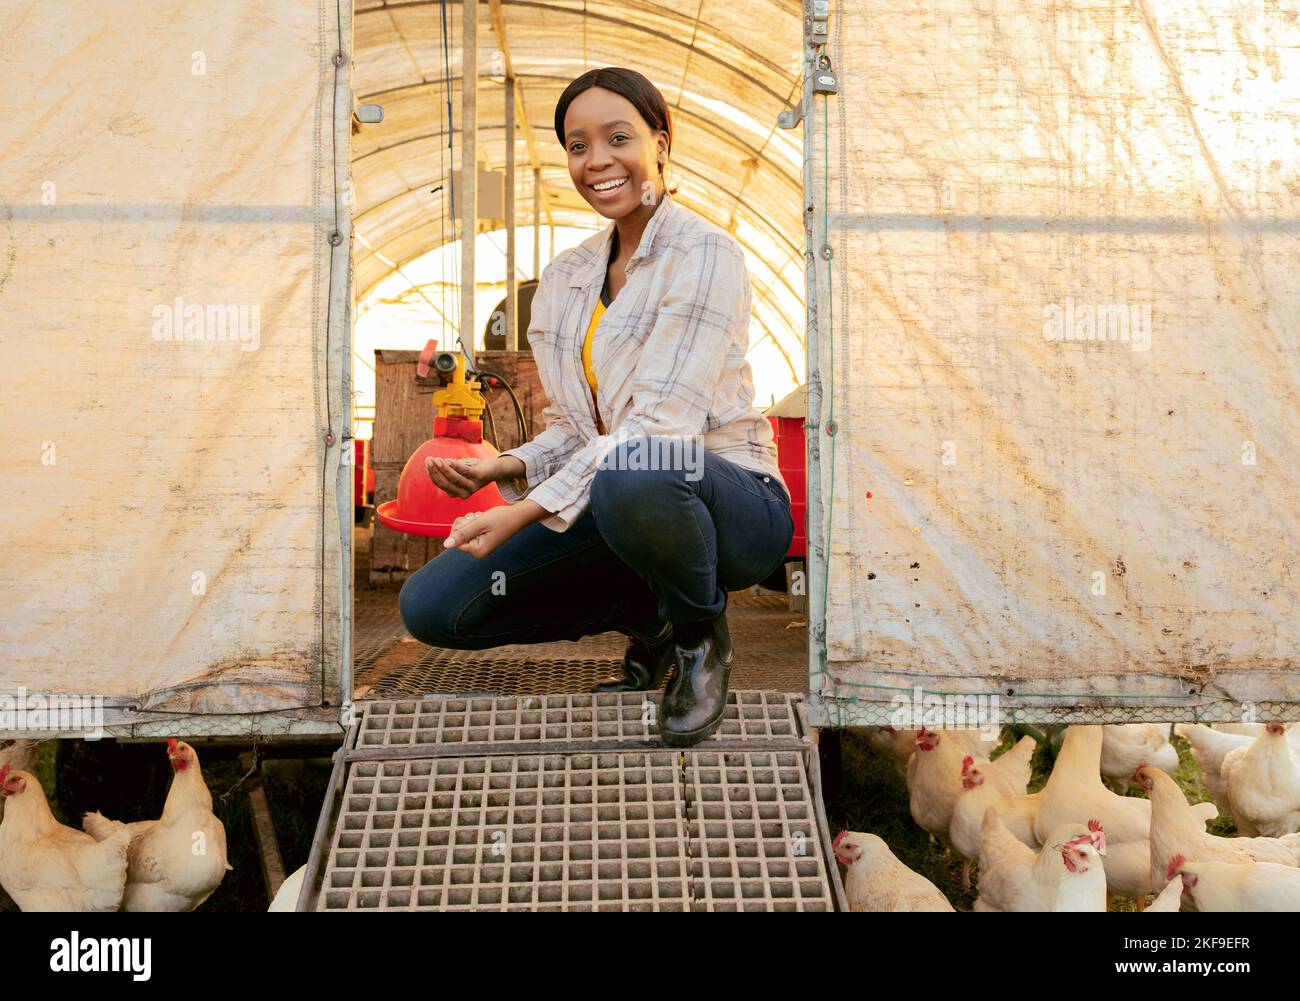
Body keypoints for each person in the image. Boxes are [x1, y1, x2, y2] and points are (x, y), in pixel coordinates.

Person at [398, 66, 793, 746]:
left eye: (618, 137)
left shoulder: (705, 255)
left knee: (638, 470)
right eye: (578, 145)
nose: (597, 160)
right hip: (623, 497)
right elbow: (579, 429)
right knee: (434, 607)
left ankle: (701, 637)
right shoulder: (567, 277)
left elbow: (659, 430)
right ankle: (654, 620)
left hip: (730, 503)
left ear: (661, 144)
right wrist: (506, 466)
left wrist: (523, 511)